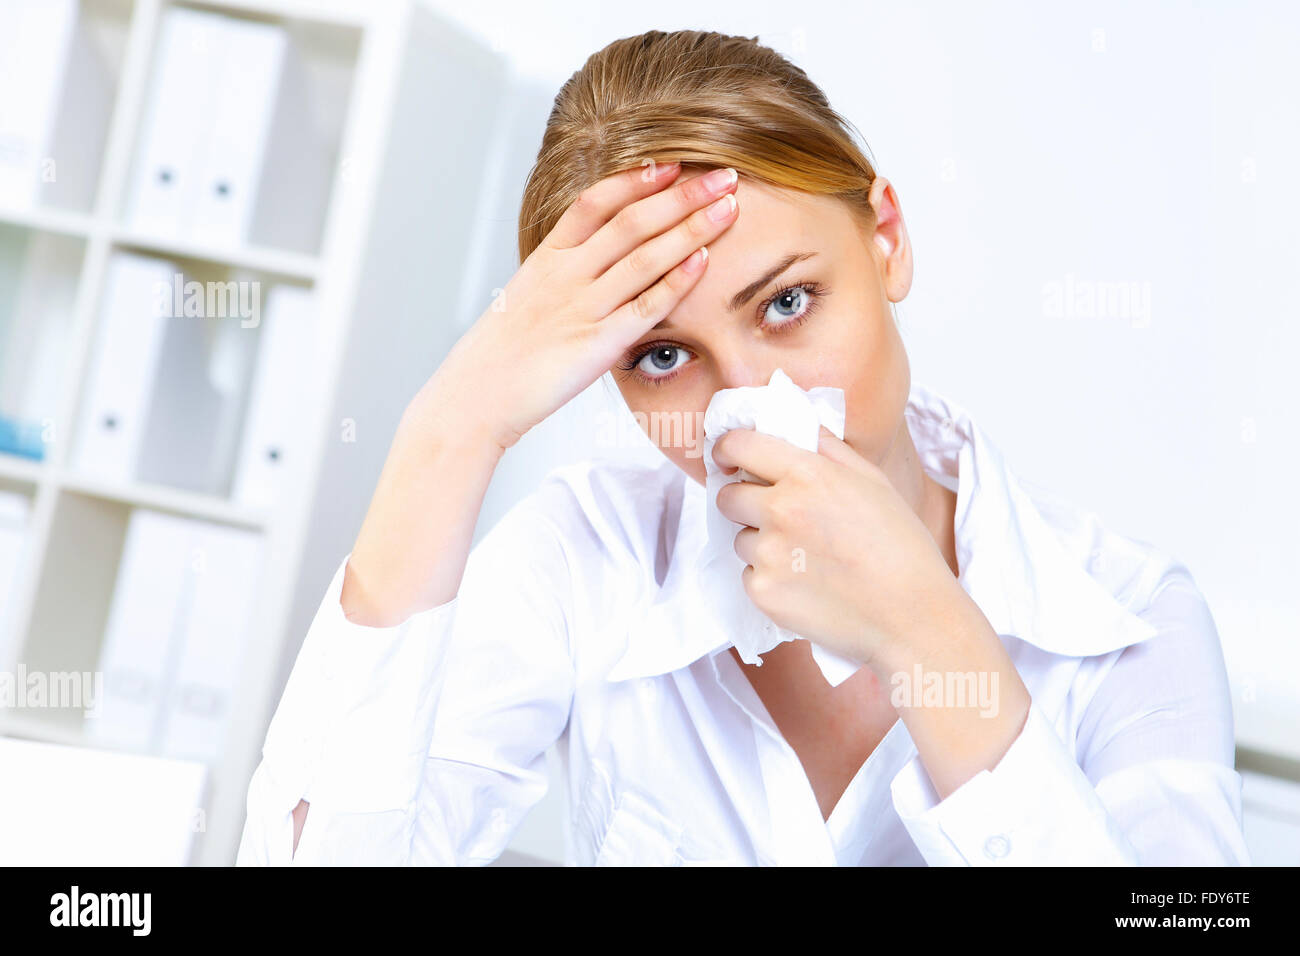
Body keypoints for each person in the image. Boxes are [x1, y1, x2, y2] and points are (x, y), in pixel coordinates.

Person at [236, 29, 1249, 866]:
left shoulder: (1125, 623)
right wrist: (447, 429)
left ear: (885, 236)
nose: (750, 405)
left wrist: (926, 632)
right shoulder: (589, 555)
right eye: (663, 354)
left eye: (787, 302)